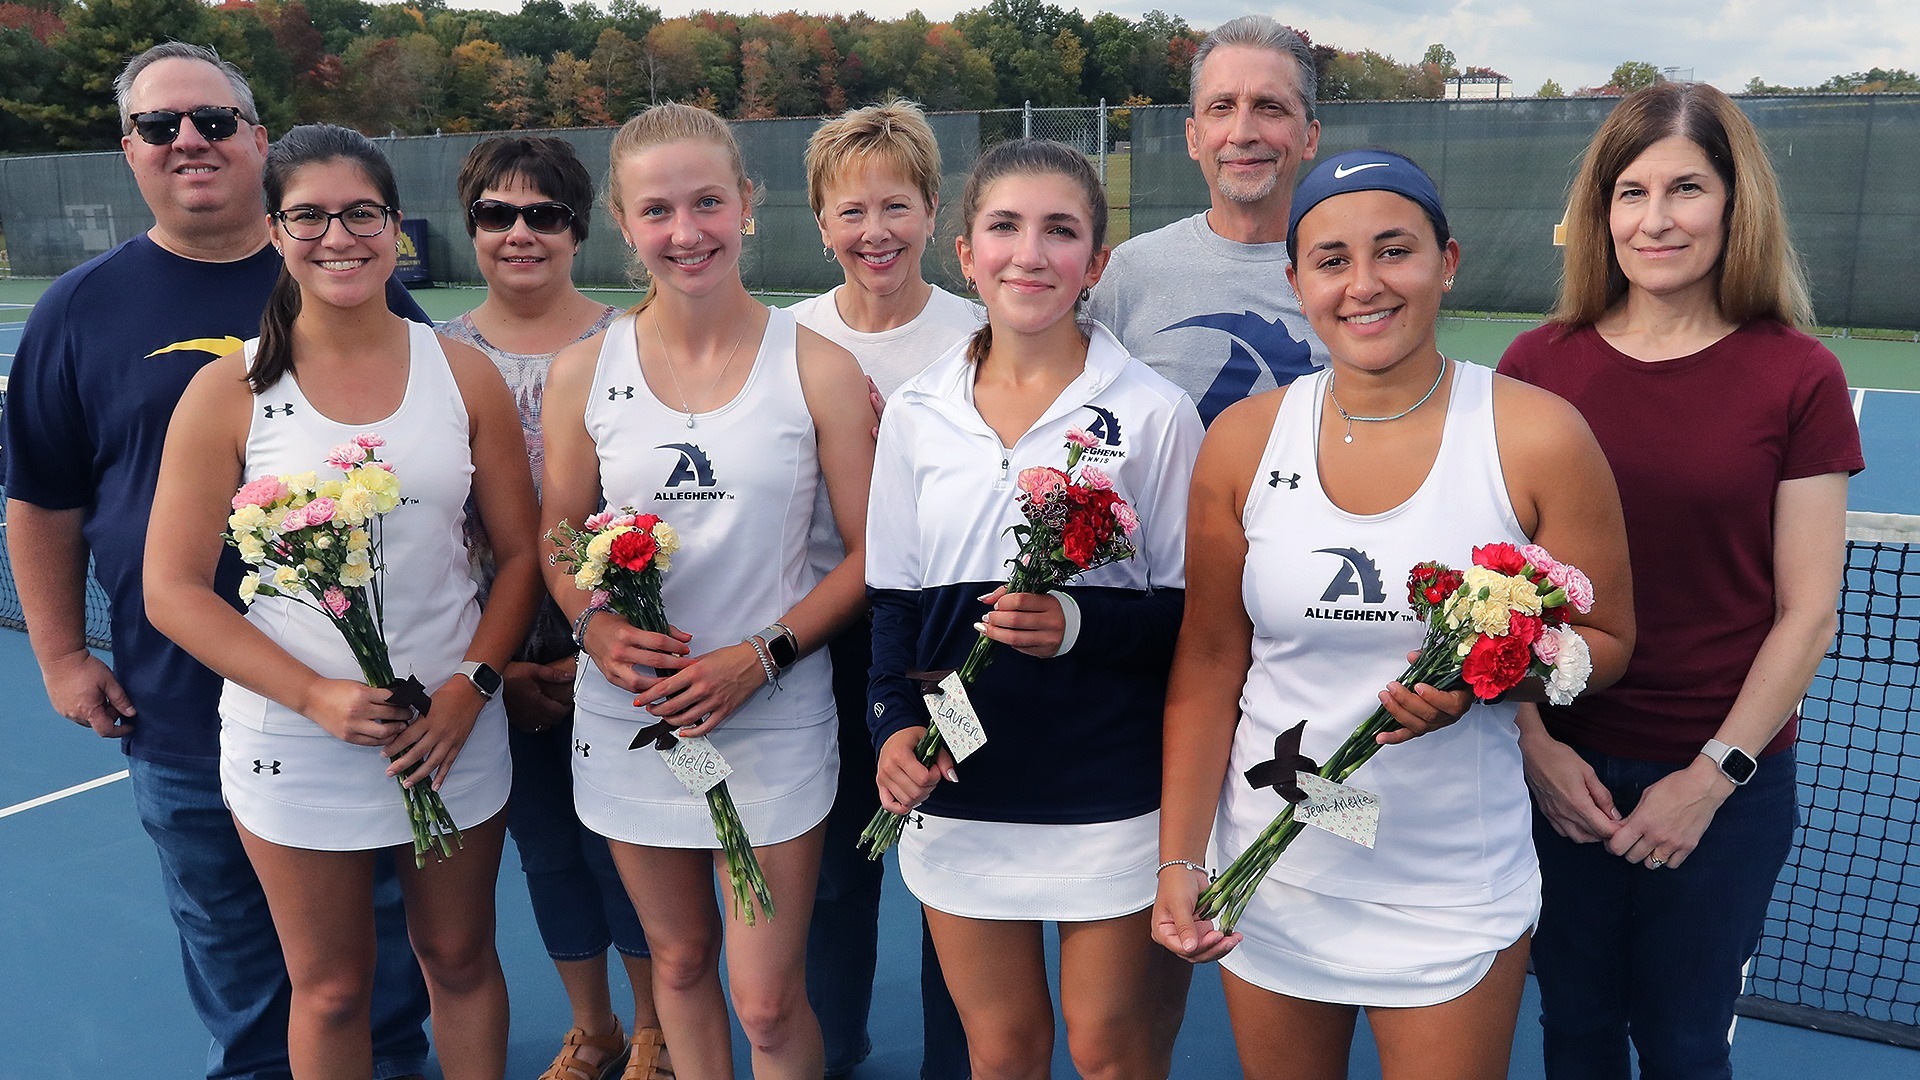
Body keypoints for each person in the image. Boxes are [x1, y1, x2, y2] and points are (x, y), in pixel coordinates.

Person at [1153, 150, 1636, 1080]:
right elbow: (1210, 664)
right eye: (1331, 260)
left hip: (1452, 885)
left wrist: (1490, 678)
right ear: (1296, 283)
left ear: (1446, 261)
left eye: (1394, 251)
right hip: (1272, 869)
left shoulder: (1539, 433)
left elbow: (1608, 642)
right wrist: (1181, 861)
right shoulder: (1242, 442)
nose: (1364, 284)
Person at [2, 42, 431, 1080]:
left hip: (356, 714)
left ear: (257, 139)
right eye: (160, 126)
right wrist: (62, 658)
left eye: (212, 119)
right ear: (130, 150)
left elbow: (431, 469)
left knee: (376, 984)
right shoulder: (76, 311)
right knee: (246, 983)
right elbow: (42, 498)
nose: (187, 139)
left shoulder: (350, 285)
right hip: (178, 712)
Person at [144, 123, 537, 1080]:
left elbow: (522, 557)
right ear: (276, 232)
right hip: (296, 745)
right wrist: (314, 697)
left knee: (459, 959)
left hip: (453, 732)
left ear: (396, 228)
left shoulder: (463, 372)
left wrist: (469, 690)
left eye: (361, 213)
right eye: (309, 216)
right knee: (329, 989)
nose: (338, 237)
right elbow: (171, 591)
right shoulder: (226, 392)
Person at [1496, 83, 1862, 1080]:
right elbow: (1503, 596)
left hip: (1725, 789)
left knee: (1686, 1044)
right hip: (1562, 781)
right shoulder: (1535, 366)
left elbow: (1809, 610)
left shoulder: (1800, 376)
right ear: (1600, 211)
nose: (1655, 219)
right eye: (1630, 191)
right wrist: (1534, 749)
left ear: (1735, 203)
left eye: (1686, 188)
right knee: (1573, 1029)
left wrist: (1709, 782)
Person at [540, 102, 876, 1080]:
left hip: (774, 715)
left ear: (748, 206)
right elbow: (560, 541)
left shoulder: (817, 365)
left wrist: (760, 655)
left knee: (767, 1004)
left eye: (707, 203)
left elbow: (868, 554)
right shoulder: (580, 374)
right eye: (658, 210)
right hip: (632, 717)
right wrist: (596, 630)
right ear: (622, 218)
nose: (686, 233)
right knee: (680, 963)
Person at [868, 138, 1205, 1080]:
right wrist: (892, 725)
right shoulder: (917, 411)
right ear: (965, 254)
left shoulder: (1155, 414)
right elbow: (892, 605)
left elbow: (1191, 621)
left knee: (1107, 1052)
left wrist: (1078, 625)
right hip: (963, 784)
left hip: (1110, 787)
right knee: (1002, 1049)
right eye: (1005, 227)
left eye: (1061, 232)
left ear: (1096, 263)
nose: (1030, 253)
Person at [438, 135, 666, 1080]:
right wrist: (502, 669)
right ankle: (595, 1029)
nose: (519, 232)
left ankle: (657, 1029)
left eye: (544, 214)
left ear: (579, 229)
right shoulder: (437, 359)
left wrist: (590, 645)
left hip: (613, 658)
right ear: (473, 228)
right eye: (497, 213)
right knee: (548, 854)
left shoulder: (633, 346)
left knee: (627, 854)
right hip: (490, 666)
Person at [786, 98, 980, 1080]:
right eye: (851, 212)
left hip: (953, 643)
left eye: (895, 207)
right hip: (827, 640)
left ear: (933, 213)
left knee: (955, 866)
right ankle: (834, 1049)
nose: (875, 232)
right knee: (832, 877)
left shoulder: (984, 336)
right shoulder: (784, 341)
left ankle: (957, 1058)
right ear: (822, 224)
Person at [1088, 14, 1330, 425]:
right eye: (1222, 107)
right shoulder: (1129, 273)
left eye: (1269, 107)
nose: (1242, 132)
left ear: (1309, 137)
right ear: (1193, 137)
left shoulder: (1348, 278)